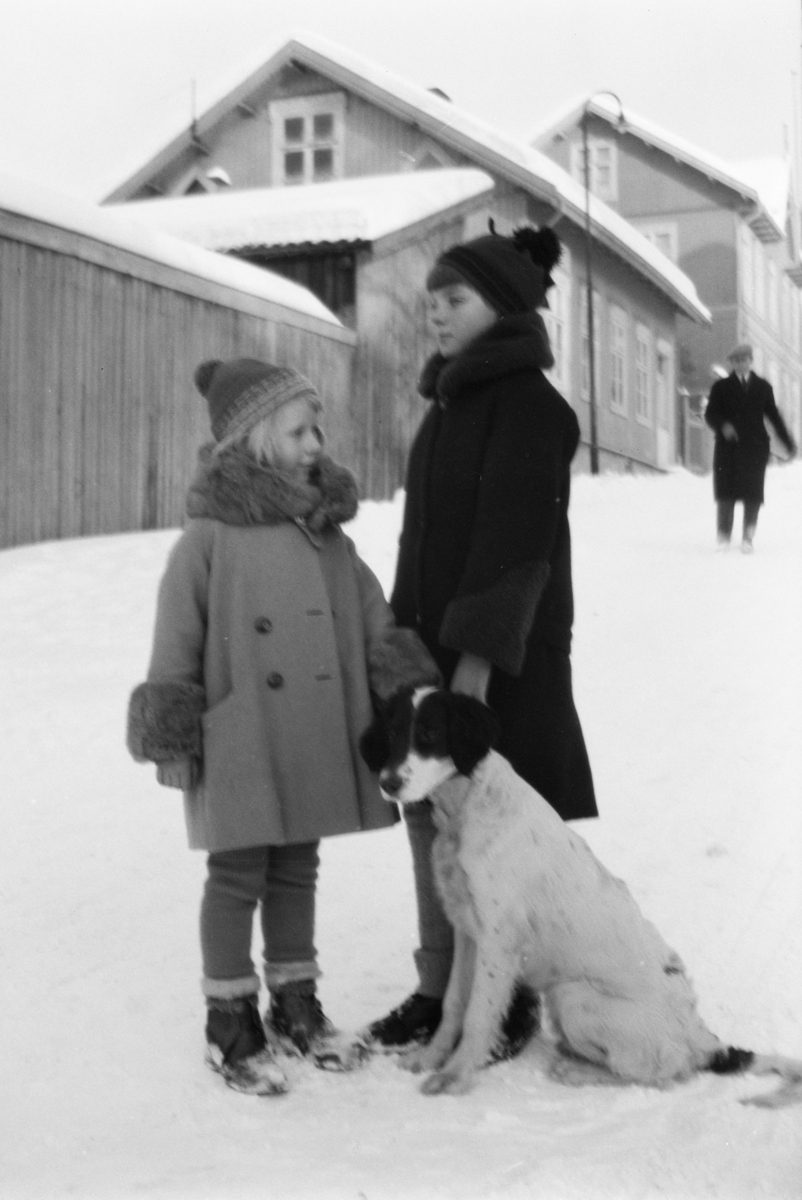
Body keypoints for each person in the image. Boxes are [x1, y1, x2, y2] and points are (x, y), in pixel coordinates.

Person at [127, 357, 439, 1096]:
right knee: (237, 873)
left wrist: (403, 687)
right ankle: (230, 1019)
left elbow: (371, 616)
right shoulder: (206, 541)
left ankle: (296, 1003)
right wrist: (173, 737)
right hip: (238, 731)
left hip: (310, 728)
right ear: (254, 441)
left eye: (316, 430)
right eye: (299, 431)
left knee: (298, 863)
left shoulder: (325, 534)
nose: (314, 444)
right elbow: (176, 642)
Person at [364, 223, 598, 1051]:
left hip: (501, 667)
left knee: (497, 834)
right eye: (428, 303)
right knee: (436, 829)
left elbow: (513, 550)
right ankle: (439, 991)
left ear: (500, 304)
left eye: (452, 300)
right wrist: (401, 643)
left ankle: (509, 1003)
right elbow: (421, 541)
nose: (435, 315)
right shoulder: (449, 405)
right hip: (435, 659)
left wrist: (473, 668)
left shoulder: (531, 407)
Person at [703, 344, 796, 552]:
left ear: (750, 361)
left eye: (744, 359)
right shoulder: (721, 387)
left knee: (753, 492)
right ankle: (724, 536)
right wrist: (723, 425)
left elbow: (774, 417)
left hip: (755, 448)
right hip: (728, 448)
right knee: (725, 492)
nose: (740, 363)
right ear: (732, 363)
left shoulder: (763, 387)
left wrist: (788, 443)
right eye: (736, 360)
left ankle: (748, 537)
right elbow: (710, 414)